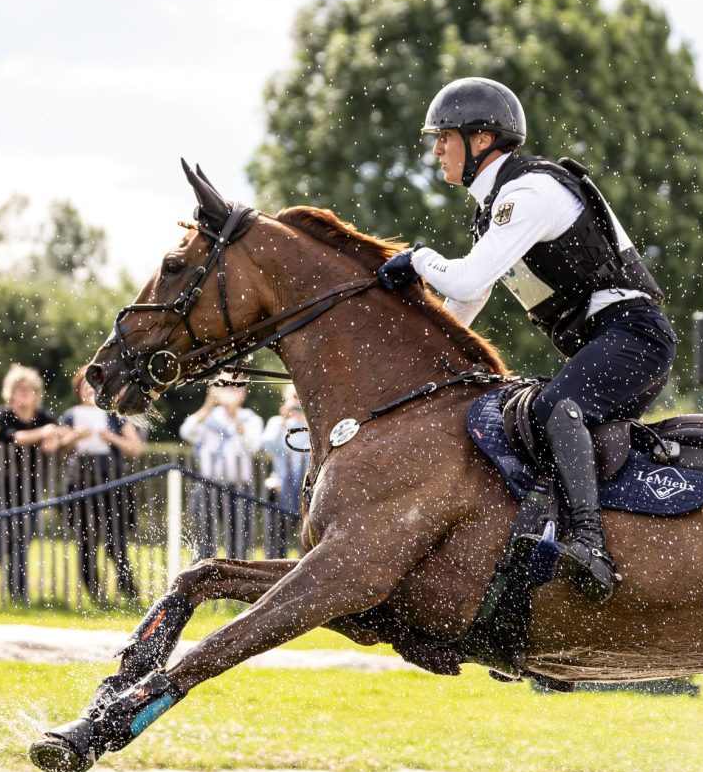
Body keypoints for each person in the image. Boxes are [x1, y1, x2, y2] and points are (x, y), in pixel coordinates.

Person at [374, 77, 675, 602]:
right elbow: (467, 303)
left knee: (556, 410)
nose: (436, 148)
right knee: (521, 419)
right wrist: (421, 366)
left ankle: (591, 546)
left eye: (444, 136)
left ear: (482, 139)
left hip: (634, 335)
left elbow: (464, 279)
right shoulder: (494, 206)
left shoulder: (528, 193)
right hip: (608, 340)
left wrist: (418, 258)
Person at [0, 365, 60, 600]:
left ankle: (18, 592)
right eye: (20, 389)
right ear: (10, 393)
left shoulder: (43, 417)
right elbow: (14, 437)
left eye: (29, 389)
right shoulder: (1, 414)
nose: (25, 393)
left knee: (21, 541)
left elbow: (58, 434)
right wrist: (44, 433)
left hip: (28, 490)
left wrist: (54, 439)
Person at [59, 366, 144, 601]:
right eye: (84, 386)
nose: (88, 390)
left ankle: (128, 589)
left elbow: (134, 448)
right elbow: (60, 447)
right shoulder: (70, 415)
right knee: (85, 538)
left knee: (116, 539)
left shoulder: (116, 415)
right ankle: (94, 593)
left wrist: (110, 437)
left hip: (111, 481)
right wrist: (74, 436)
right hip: (80, 482)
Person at [180, 381, 263, 559]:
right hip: (208, 485)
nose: (228, 392)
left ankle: (236, 579)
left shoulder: (251, 418)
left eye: (234, 388)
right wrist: (208, 404)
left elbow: (253, 446)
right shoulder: (208, 416)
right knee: (204, 537)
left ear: (242, 393)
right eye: (223, 387)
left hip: (239, 487)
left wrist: (234, 416)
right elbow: (187, 432)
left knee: (239, 540)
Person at [260, 385, 310, 560]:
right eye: (294, 396)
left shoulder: (311, 423)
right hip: (282, 482)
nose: (297, 401)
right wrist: (283, 422)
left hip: (306, 484)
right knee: (277, 529)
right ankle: (275, 558)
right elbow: (268, 447)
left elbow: (311, 451)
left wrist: (306, 421)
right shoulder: (277, 422)